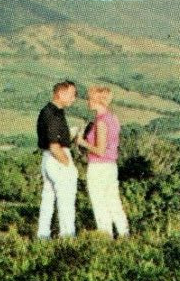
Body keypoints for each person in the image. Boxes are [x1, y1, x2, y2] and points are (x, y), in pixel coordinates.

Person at [76, 84, 130, 238]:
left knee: (99, 204)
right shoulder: (113, 118)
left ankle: (105, 238)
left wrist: (82, 142)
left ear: (98, 100)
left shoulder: (100, 122)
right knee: (114, 202)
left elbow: (100, 150)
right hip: (111, 166)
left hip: (98, 167)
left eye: (90, 98)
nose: (88, 101)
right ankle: (124, 235)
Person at [35, 79, 78, 239]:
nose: (74, 98)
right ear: (60, 93)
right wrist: (67, 164)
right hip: (58, 159)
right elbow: (54, 145)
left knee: (47, 200)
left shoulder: (49, 111)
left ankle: (43, 237)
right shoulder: (52, 114)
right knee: (66, 201)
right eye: (72, 94)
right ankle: (68, 238)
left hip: (48, 159)